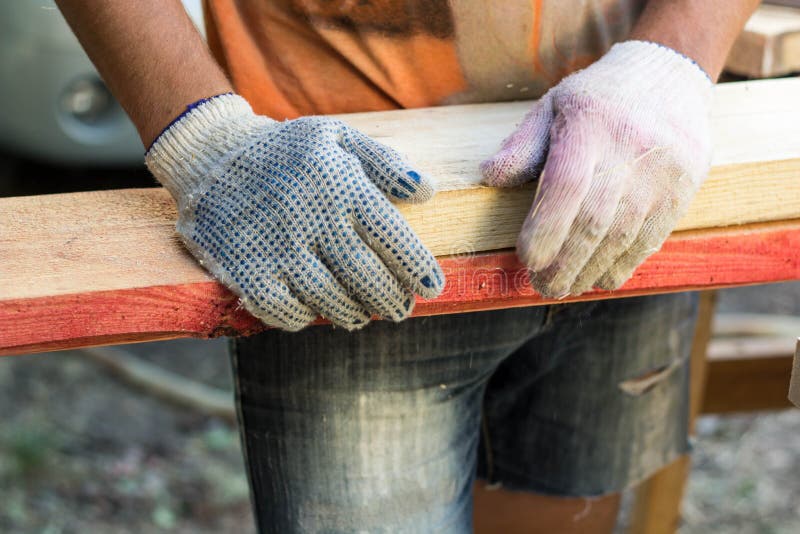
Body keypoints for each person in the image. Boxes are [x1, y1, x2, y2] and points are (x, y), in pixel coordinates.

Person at [56, 1, 758, 532]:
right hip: (339, 232)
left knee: (570, 509)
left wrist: (676, 54)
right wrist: (203, 136)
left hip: (629, 162)